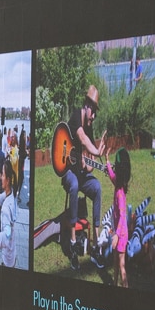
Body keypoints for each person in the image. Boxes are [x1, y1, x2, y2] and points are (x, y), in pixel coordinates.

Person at [60, 84, 106, 257]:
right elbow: (83, 138)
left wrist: (92, 162)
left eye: (95, 113)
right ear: (86, 106)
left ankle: (95, 241)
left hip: (79, 172)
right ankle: (73, 241)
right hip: (67, 172)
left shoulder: (90, 124)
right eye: (92, 111)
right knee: (73, 184)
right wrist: (96, 150)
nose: (93, 116)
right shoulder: (76, 116)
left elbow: (87, 164)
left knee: (97, 187)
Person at [107, 148, 132, 287]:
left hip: (121, 235)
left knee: (122, 266)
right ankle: (115, 285)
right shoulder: (118, 183)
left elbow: (123, 217)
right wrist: (107, 161)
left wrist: (116, 235)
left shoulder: (120, 195)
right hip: (118, 232)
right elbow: (111, 176)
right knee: (115, 263)